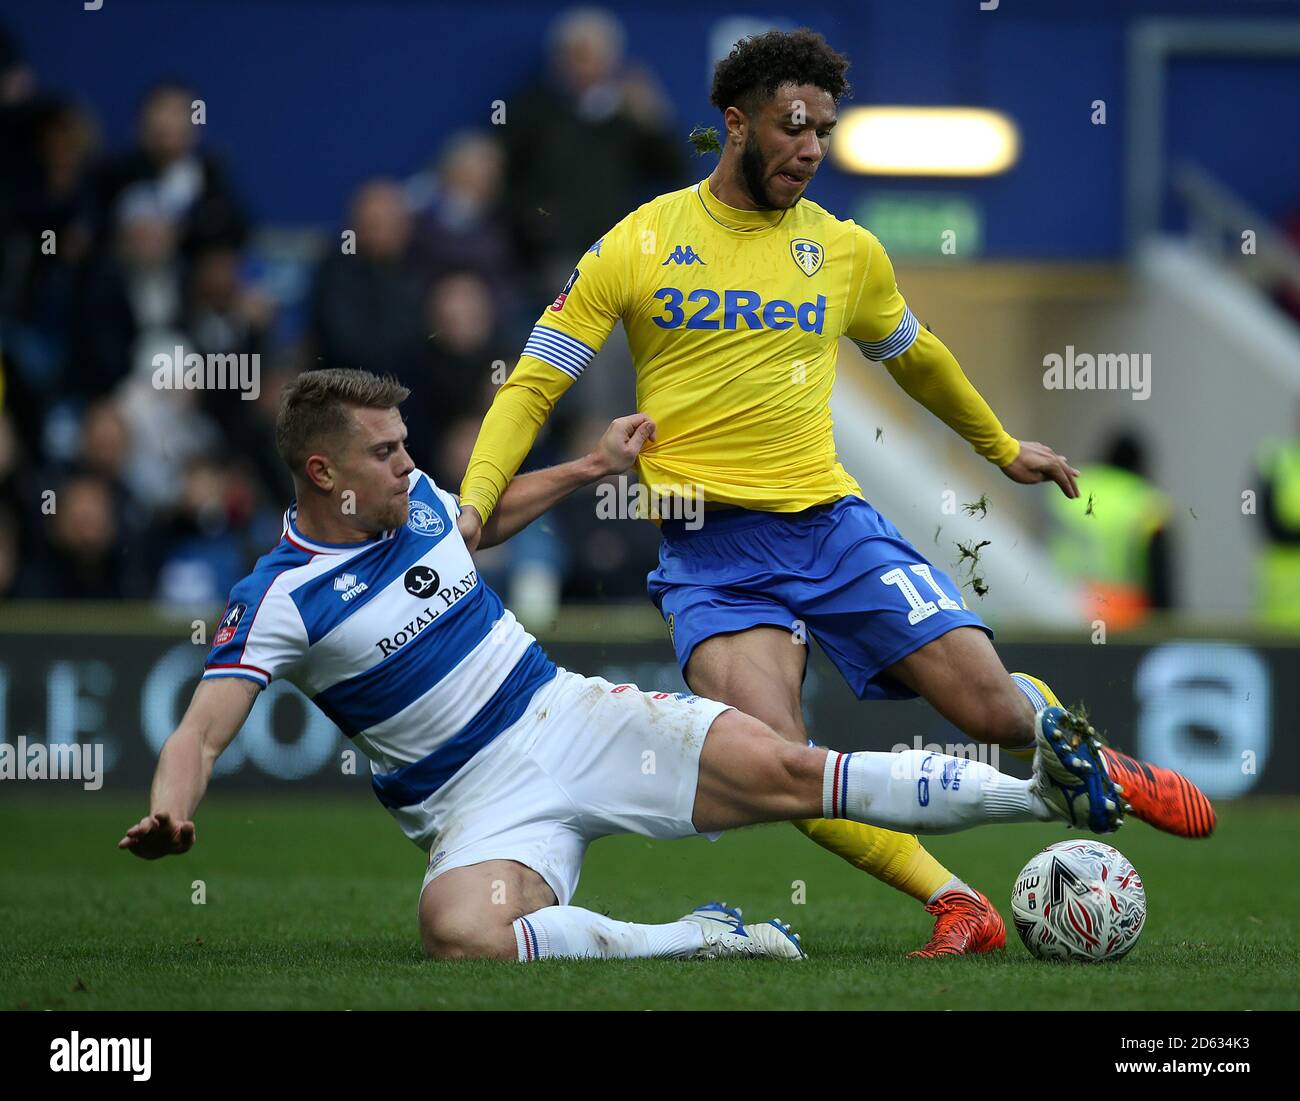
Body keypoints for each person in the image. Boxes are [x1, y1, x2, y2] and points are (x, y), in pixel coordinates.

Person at [457, 27, 1216, 958]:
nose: (812, 147)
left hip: (831, 530)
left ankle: (1084, 750)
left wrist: (1000, 446)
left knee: (991, 712)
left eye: (823, 129)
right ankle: (959, 905)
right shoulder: (642, 240)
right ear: (735, 125)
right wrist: (472, 497)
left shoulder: (846, 252)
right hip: (710, 556)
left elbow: (917, 357)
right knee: (782, 764)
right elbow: (534, 380)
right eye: (793, 126)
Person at [120, 368, 1130, 963]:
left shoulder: (418, 496)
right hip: (474, 809)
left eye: (404, 444)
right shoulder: (279, 599)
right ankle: (695, 937)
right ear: (321, 472)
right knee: (458, 933)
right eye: (384, 451)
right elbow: (198, 731)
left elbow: (482, 522)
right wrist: (173, 813)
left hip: (568, 719)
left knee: (787, 769)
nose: (408, 460)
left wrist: (593, 468)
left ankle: (1041, 797)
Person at [1049, 431, 1174, 630]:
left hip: (1060, 607)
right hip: (1120, 617)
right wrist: (1168, 627)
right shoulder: (1146, 502)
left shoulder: (1069, 485)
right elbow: (1161, 576)